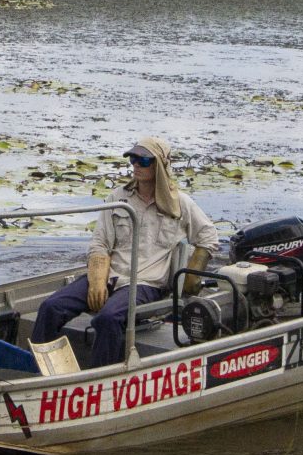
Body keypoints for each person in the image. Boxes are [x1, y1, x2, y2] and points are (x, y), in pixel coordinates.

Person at [32, 136, 220, 368]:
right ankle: (43, 371)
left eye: (143, 160)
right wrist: (97, 279)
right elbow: (100, 242)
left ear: (160, 165)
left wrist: (189, 278)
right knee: (50, 307)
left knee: (108, 319)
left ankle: (98, 381)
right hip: (111, 274)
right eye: (133, 159)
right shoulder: (118, 198)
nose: (136, 165)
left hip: (146, 283)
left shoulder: (180, 204)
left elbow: (208, 237)